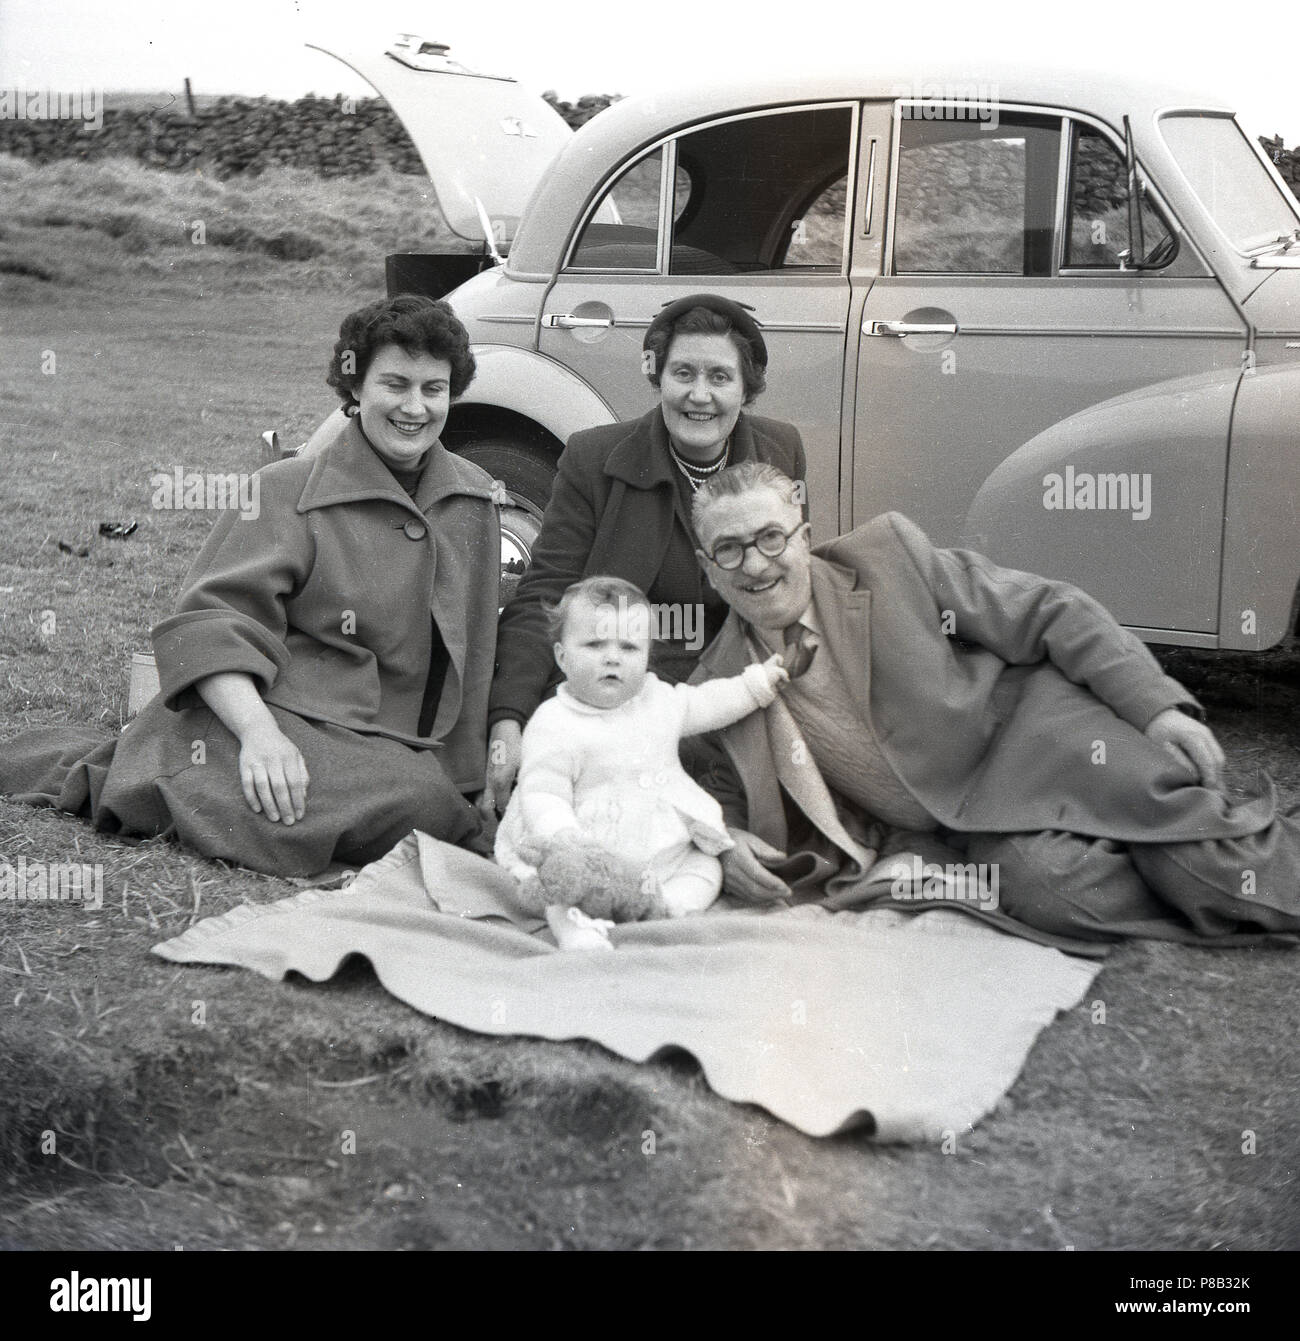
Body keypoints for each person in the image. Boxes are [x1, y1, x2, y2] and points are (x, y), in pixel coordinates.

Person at [686, 461, 1300, 949]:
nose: (757, 564)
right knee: (1049, 892)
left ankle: (1212, 858)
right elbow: (709, 796)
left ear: (803, 535)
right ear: (708, 570)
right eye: (731, 549)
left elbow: (1047, 610)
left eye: (771, 537)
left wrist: (1155, 708)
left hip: (1049, 743)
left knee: (1207, 866)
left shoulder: (887, 558)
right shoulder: (715, 689)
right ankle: (1196, 859)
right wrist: (725, 839)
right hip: (968, 828)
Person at [0, 295, 501, 877]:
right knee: (418, 811)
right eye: (394, 384)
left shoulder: (474, 498)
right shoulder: (283, 489)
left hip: (393, 750)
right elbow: (212, 626)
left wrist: (470, 779)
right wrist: (261, 738)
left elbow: (475, 647)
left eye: (433, 389)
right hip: (273, 714)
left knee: (442, 813)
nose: (414, 407)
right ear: (355, 386)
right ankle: (160, 767)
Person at [480, 294, 806, 818]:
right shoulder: (594, 458)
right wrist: (508, 720)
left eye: (720, 377)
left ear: (747, 388)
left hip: (728, 692)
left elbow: (792, 583)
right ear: (658, 376)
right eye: (684, 373)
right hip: (616, 692)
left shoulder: (778, 450)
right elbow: (545, 594)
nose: (700, 395)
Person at [494, 575, 788, 950]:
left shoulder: (658, 700)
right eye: (595, 644)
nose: (613, 657)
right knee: (564, 892)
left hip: (656, 846)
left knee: (705, 868)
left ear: (648, 657)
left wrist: (756, 685)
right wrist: (564, 838)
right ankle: (577, 931)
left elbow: (707, 704)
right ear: (562, 657)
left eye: (630, 647)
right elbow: (542, 793)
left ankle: (670, 909)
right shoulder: (553, 723)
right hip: (587, 851)